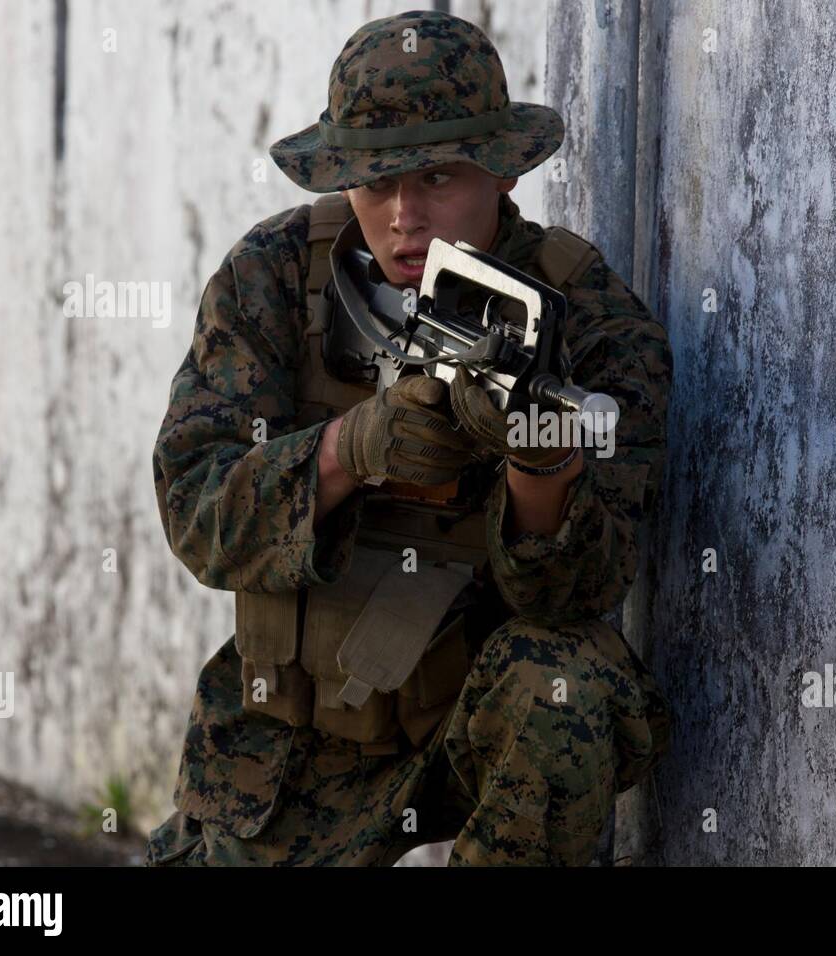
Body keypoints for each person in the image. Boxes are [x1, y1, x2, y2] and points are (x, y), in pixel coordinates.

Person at [145, 9, 673, 867]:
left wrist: (539, 472)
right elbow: (196, 514)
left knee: (570, 682)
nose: (401, 215)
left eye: (435, 177)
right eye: (372, 180)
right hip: (294, 743)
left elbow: (582, 591)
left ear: (501, 173)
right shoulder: (275, 278)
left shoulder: (596, 329)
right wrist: (347, 452)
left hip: (470, 717)